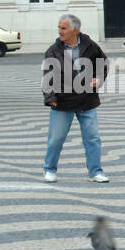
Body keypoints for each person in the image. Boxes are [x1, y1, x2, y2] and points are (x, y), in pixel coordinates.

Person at [41, 13, 111, 183]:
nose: (60, 31)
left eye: (63, 28)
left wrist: (99, 79)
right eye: (59, 27)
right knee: (56, 138)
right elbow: (48, 75)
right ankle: (49, 169)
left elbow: (103, 63)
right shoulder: (53, 50)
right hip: (62, 101)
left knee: (92, 138)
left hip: (87, 100)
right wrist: (50, 96)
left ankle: (95, 172)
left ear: (75, 30)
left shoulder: (90, 45)